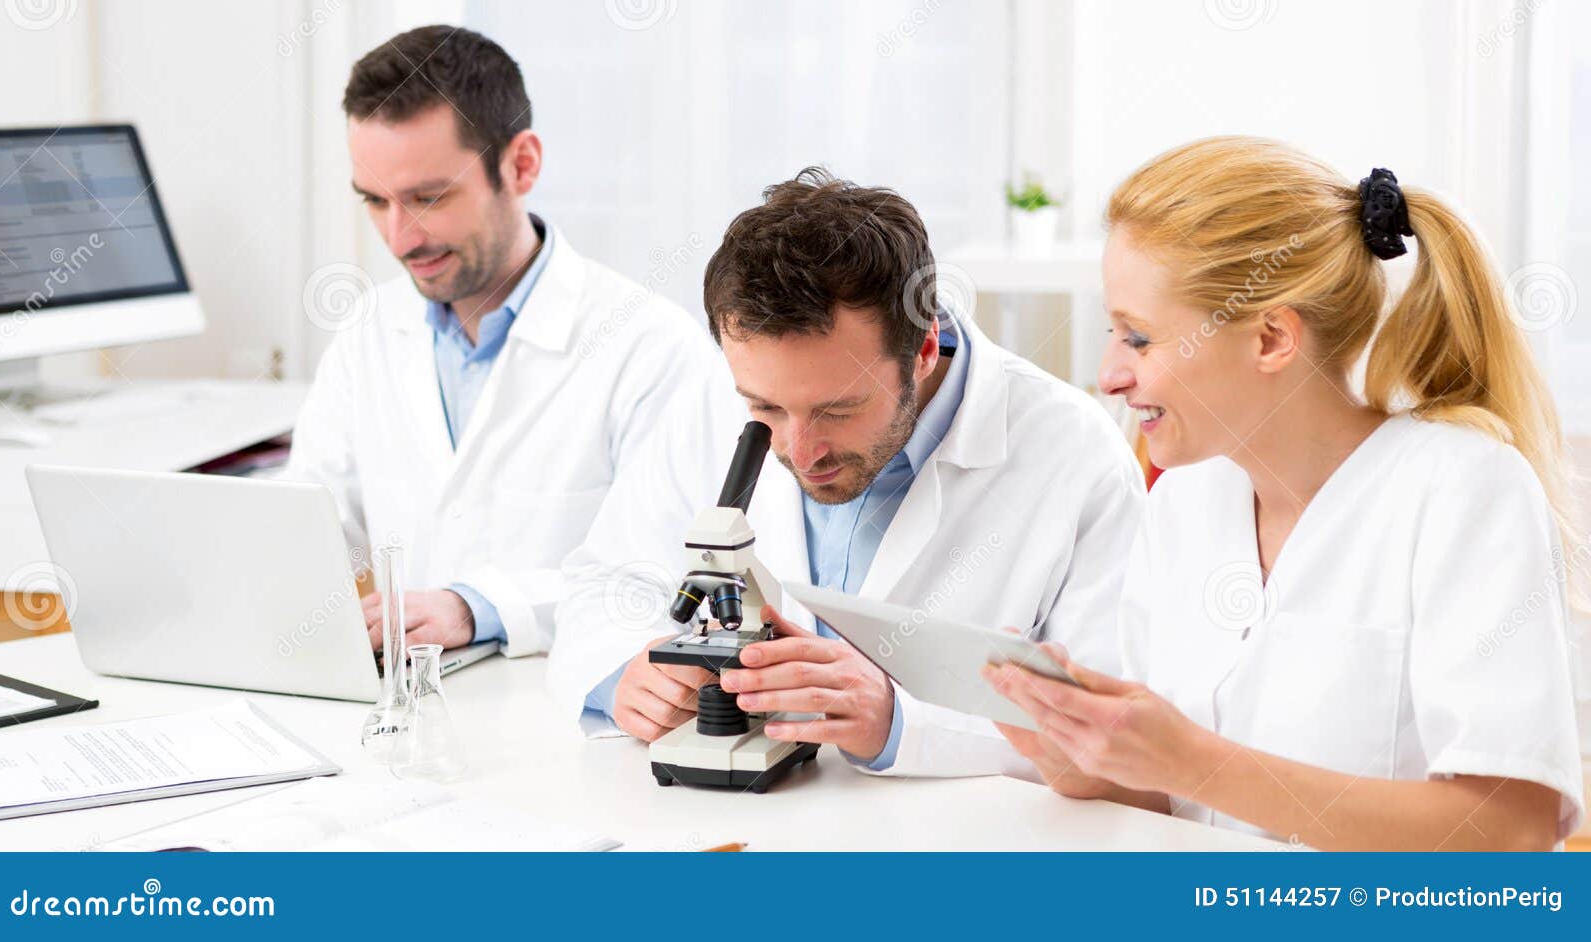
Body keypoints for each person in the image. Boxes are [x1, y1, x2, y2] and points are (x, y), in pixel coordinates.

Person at [984, 136, 1586, 849]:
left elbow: (1509, 830)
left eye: (1139, 339)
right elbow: (1183, 805)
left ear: (1271, 338)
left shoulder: (1462, 488)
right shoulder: (1184, 501)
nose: (1108, 375)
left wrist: (1192, 762)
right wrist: (1089, 763)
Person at [547, 169, 1144, 777]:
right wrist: (626, 674)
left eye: (838, 409)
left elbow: (1118, 729)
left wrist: (899, 724)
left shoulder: (1074, 453)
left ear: (924, 349)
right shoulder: (710, 399)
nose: (801, 453)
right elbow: (604, 579)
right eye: (766, 409)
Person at [283, 26, 712, 657]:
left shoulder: (650, 347)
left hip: (567, 709)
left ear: (521, 164)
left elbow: (673, 579)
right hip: (409, 710)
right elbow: (309, 532)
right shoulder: (368, 333)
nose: (400, 238)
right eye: (376, 201)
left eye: (429, 198)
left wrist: (476, 607)